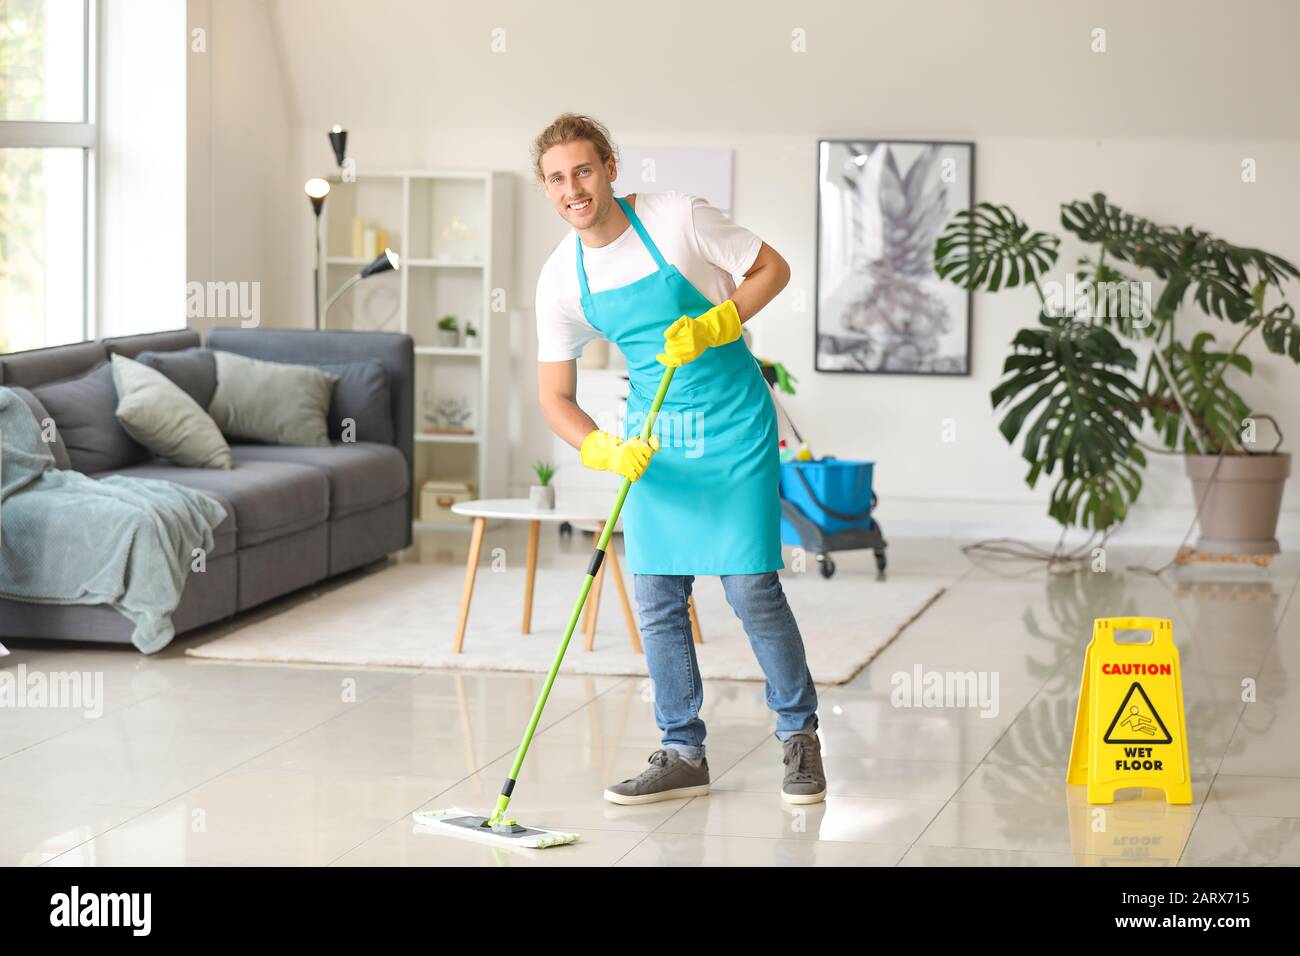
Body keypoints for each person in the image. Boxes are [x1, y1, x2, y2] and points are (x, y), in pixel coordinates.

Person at [532, 113, 825, 806]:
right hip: (658, 435)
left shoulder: (675, 217)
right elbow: (554, 397)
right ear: (545, 189)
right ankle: (682, 750)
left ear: (608, 167)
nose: (572, 188)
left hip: (731, 423)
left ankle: (799, 734)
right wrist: (601, 447)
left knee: (751, 586)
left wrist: (720, 321)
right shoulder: (561, 279)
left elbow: (770, 268)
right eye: (555, 178)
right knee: (659, 596)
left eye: (582, 170)